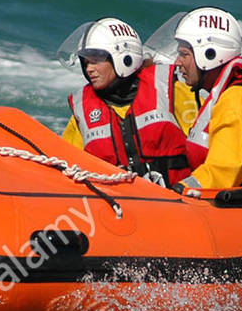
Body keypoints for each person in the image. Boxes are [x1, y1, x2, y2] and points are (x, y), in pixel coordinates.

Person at [149, 7, 242, 192]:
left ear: (210, 54)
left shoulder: (235, 99)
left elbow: (223, 170)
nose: (177, 62)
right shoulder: (235, 87)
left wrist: (179, 190)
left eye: (183, 54)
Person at [57, 17, 198, 186]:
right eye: (85, 63)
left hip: (183, 201)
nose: (89, 69)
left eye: (95, 61)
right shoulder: (82, 113)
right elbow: (65, 164)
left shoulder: (170, 91)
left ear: (125, 58)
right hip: (118, 206)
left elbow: (207, 145)